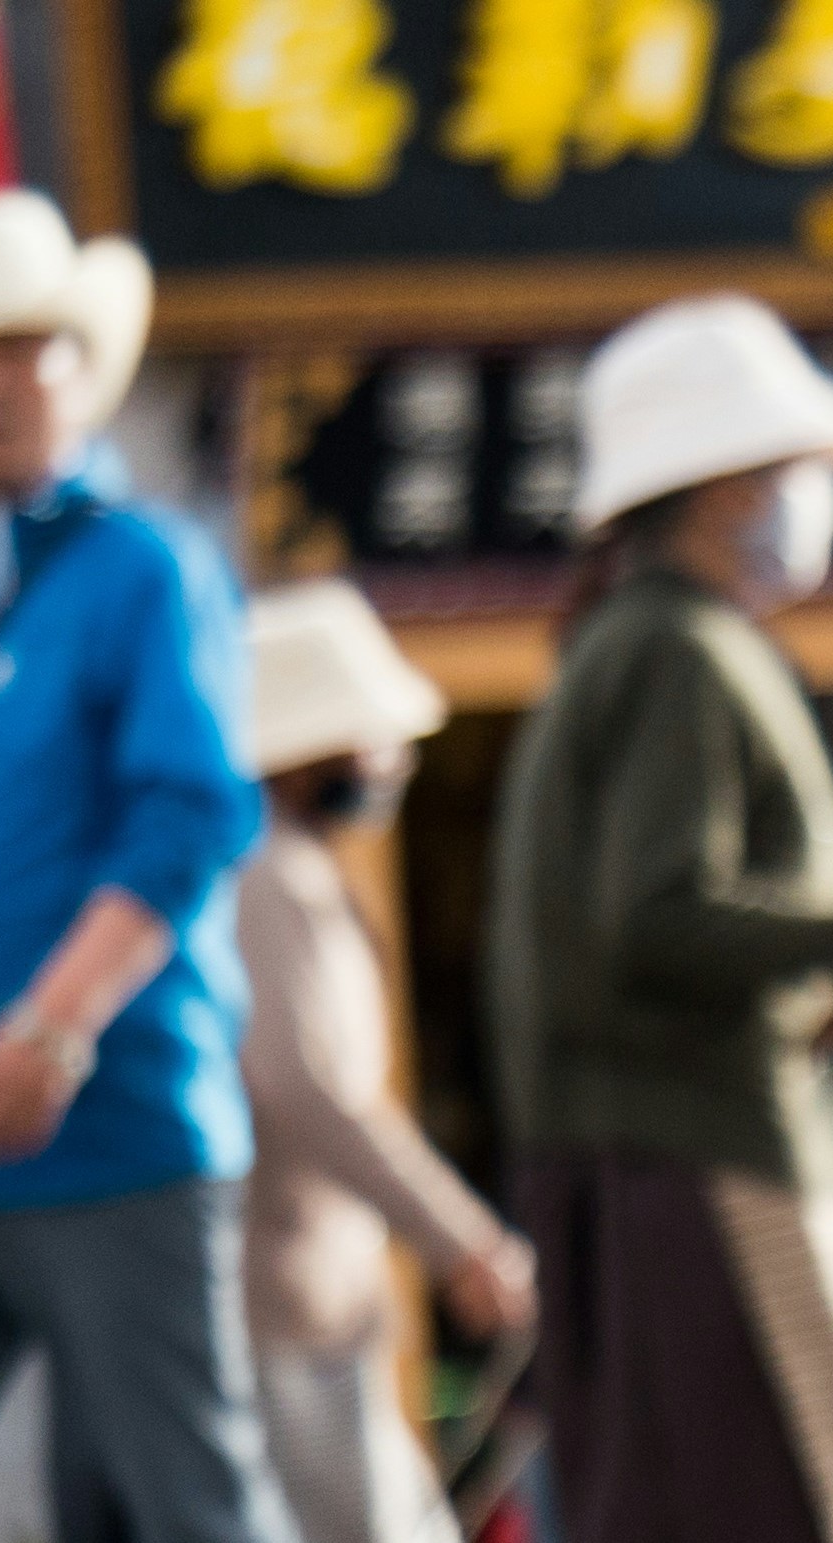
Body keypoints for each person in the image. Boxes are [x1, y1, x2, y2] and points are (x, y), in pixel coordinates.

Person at [482, 294, 833, 1543]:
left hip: (649, 1157)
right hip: (702, 1156)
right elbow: (656, 917)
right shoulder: (683, 653)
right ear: (724, 490)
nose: (812, 497)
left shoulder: (623, 645)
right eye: (796, 471)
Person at [0, 189, 292, 1543]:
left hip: (116, 1129)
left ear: (81, 369)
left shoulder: (147, 566)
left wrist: (57, 1018)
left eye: (17, 348)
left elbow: (185, 815)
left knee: (188, 1499)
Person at [230, 580, 536, 1543]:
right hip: (286, 1292)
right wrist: (458, 1236)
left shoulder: (287, 869)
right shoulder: (268, 878)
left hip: (311, 1292)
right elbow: (308, 1087)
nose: (391, 762)